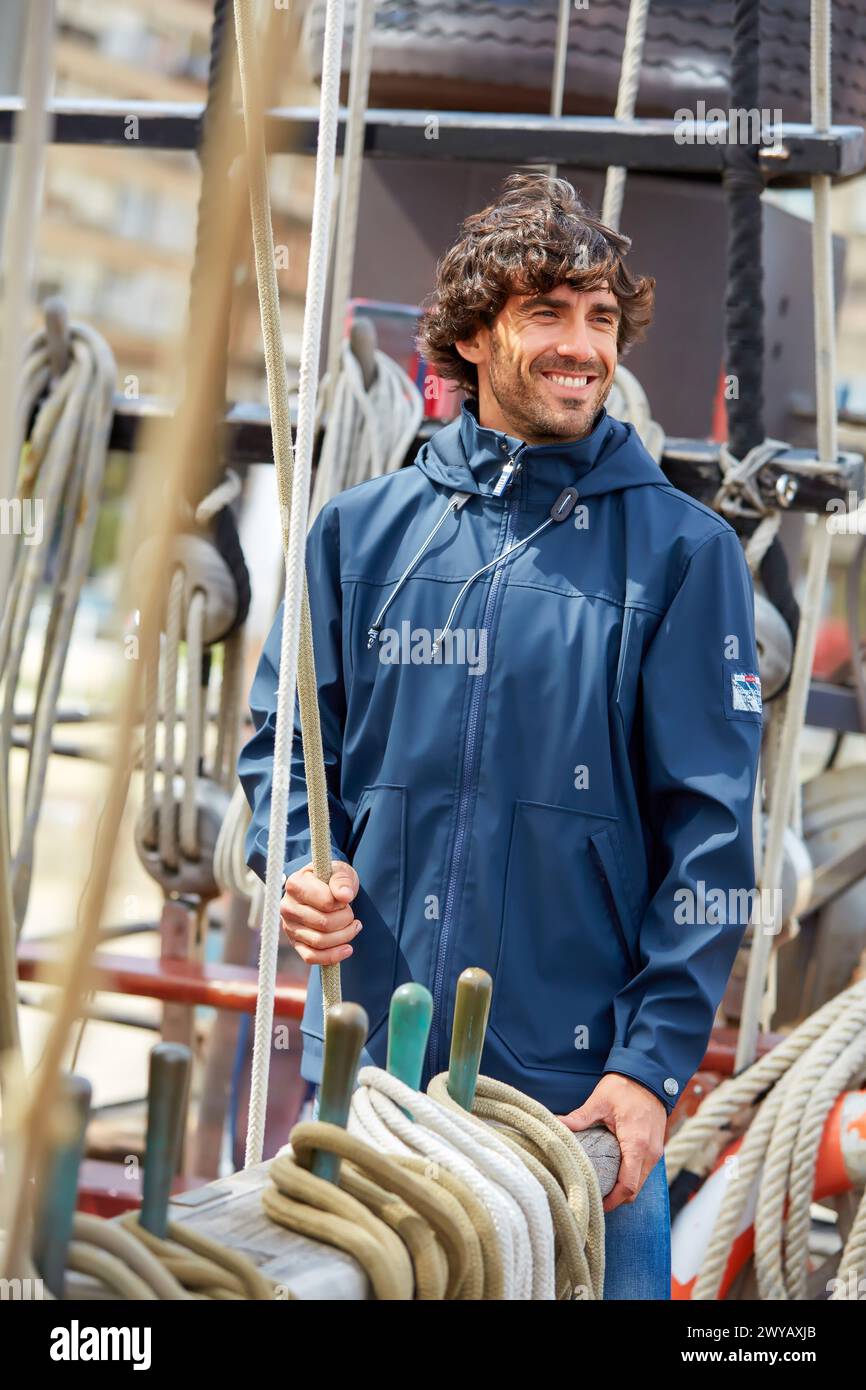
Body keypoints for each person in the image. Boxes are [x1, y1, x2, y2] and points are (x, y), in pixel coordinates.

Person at [238, 173, 763, 1299]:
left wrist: (645, 1068)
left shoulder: (682, 554)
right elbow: (286, 749)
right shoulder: (354, 536)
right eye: (547, 313)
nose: (582, 347)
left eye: (599, 319)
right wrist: (294, 864)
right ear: (473, 337)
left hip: (577, 1110)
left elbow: (710, 841)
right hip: (368, 1083)